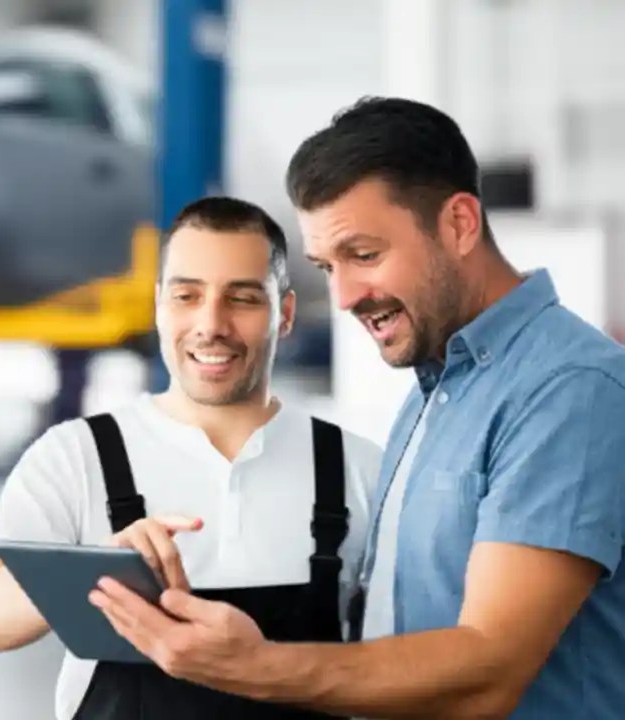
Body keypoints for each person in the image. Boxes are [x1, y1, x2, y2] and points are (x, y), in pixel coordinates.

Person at [89, 96, 625, 719]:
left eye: (364, 256)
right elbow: (397, 631)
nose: (343, 296)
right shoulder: (434, 392)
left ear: (459, 224)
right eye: (326, 266)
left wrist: (252, 665)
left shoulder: (567, 390)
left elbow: (489, 670)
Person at [0, 196, 384, 720]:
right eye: (186, 296)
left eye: (242, 298)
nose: (211, 324)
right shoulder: (76, 457)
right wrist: (97, 574)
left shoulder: (358, 469)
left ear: (283, 314)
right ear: (159, 306)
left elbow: (405, 659)